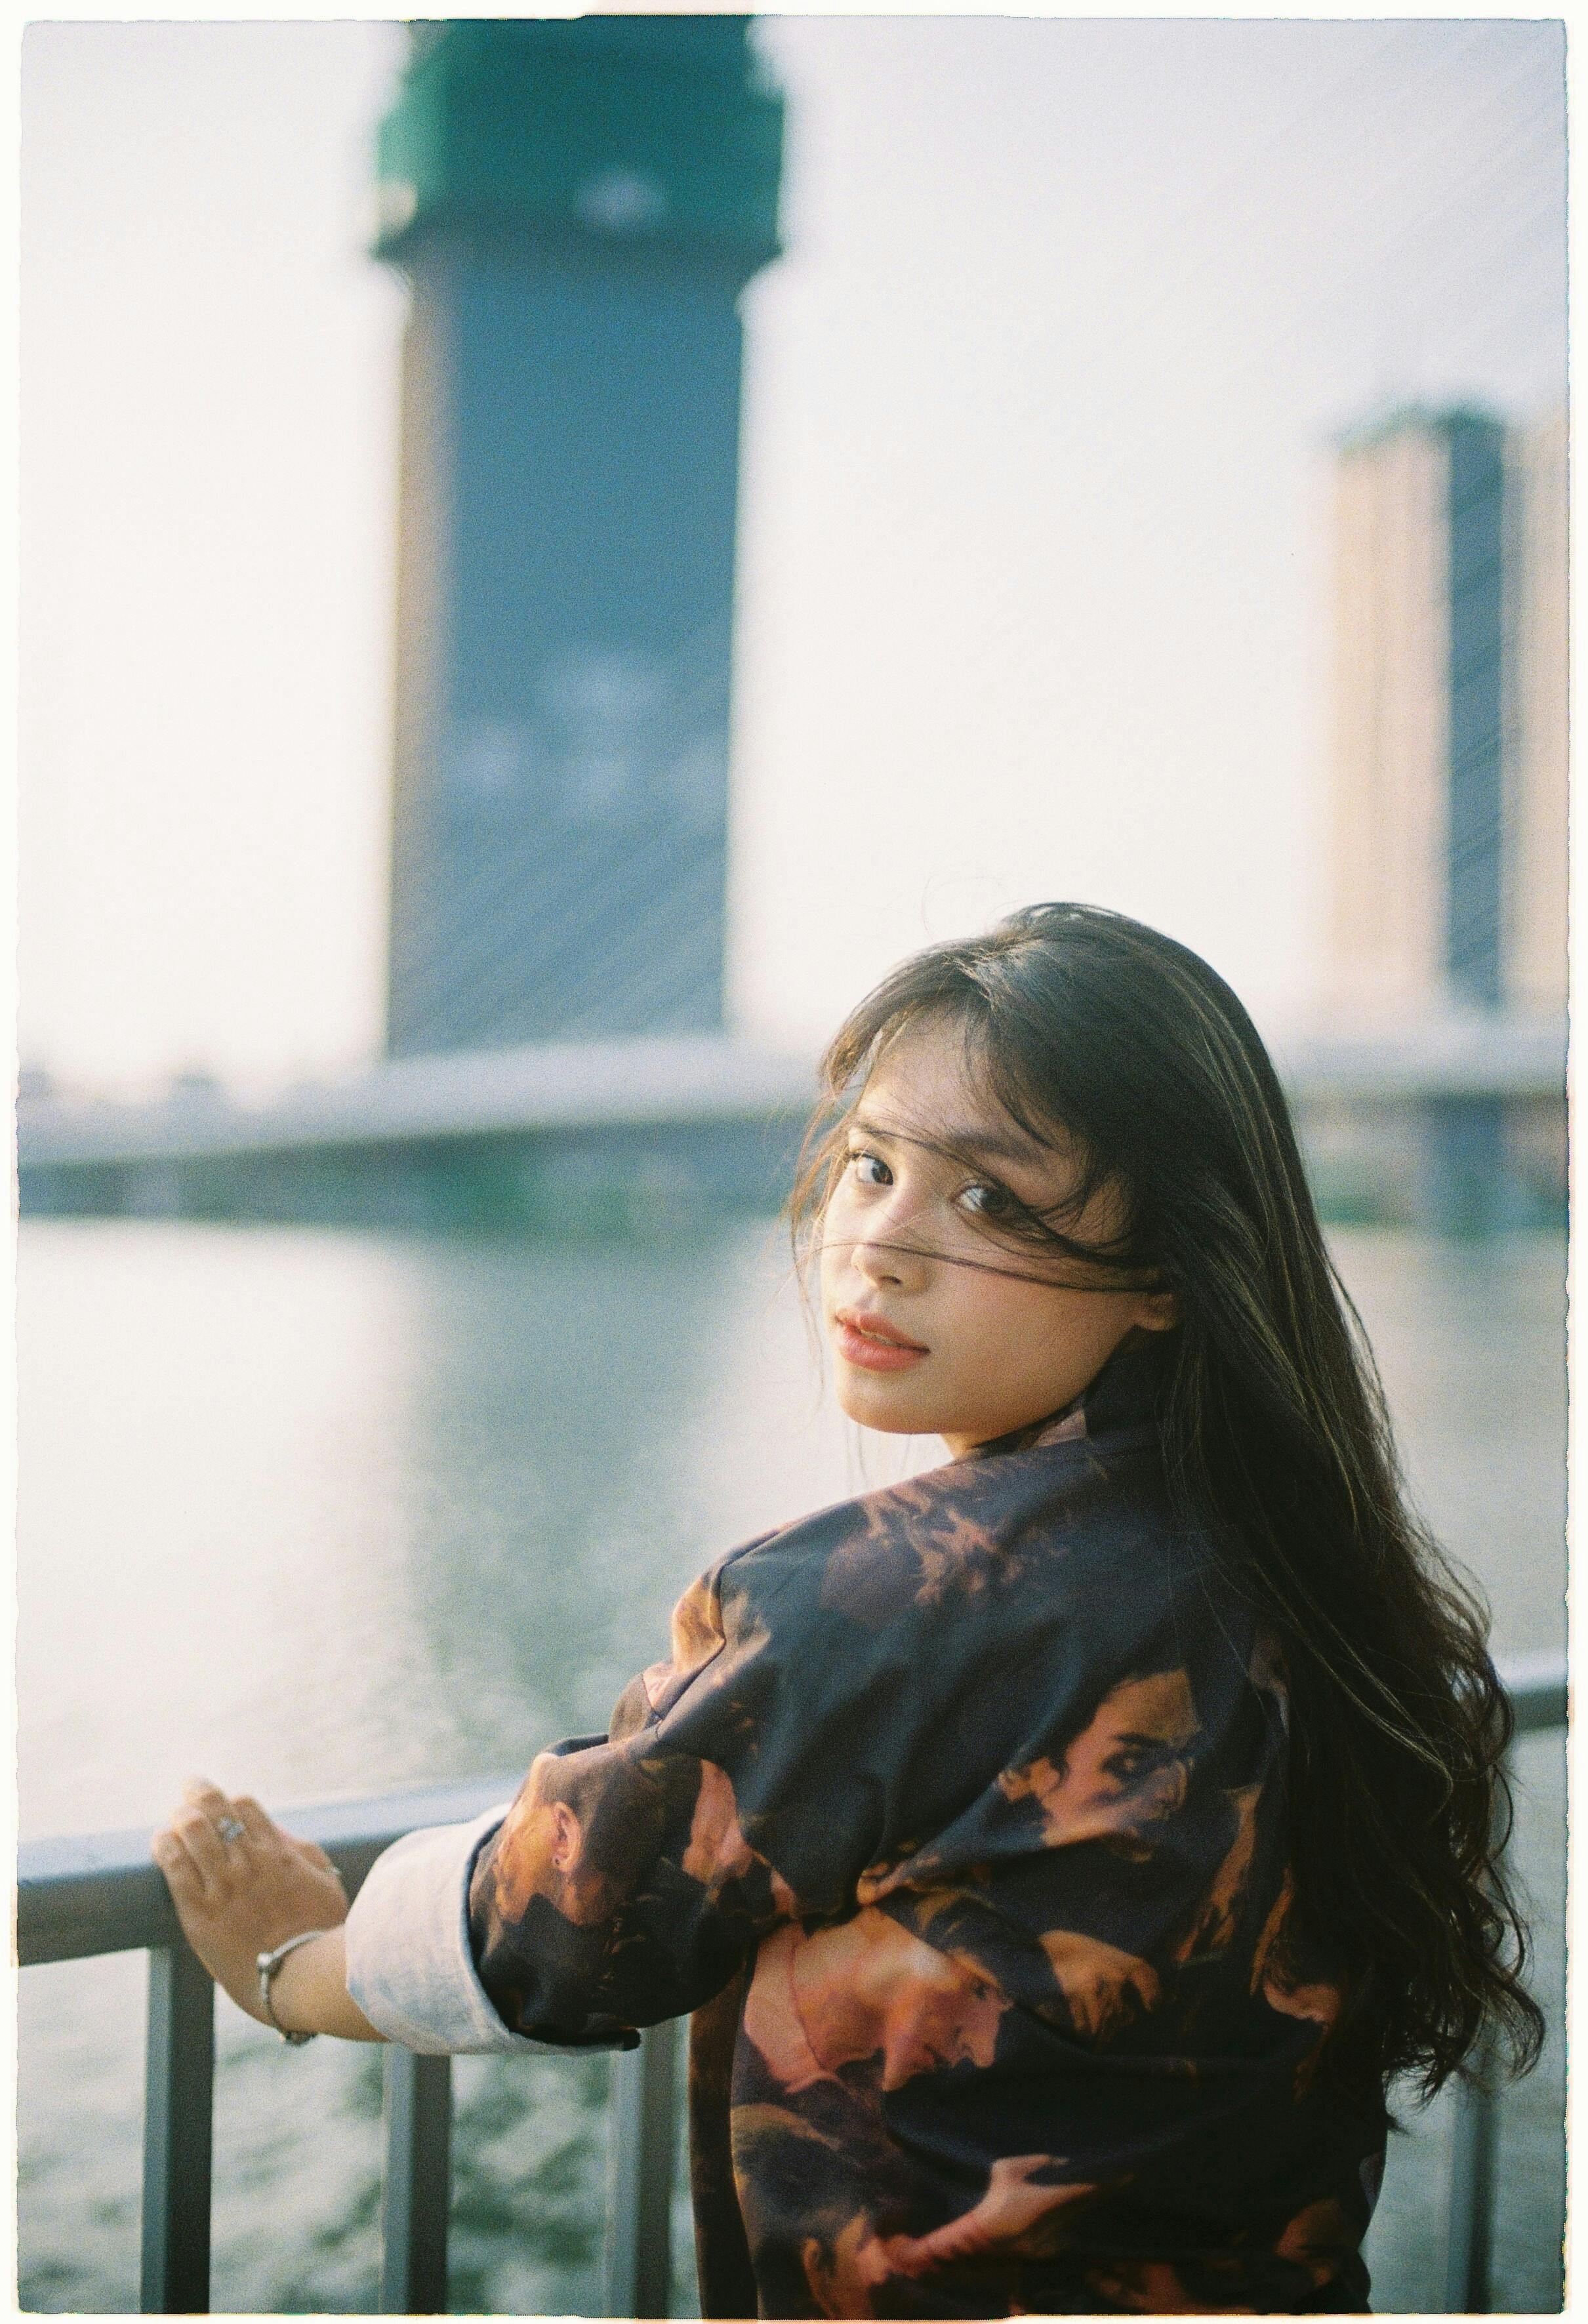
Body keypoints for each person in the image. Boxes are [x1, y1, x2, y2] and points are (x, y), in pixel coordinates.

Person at [153, 902, 1541, 2317]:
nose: (874, 1240)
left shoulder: (882, 1599)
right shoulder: (1296, 1568)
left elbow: (571, 1915)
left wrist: (287, 1963)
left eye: (986, 1198)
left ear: (1166, 1276)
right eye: (870, 1164)